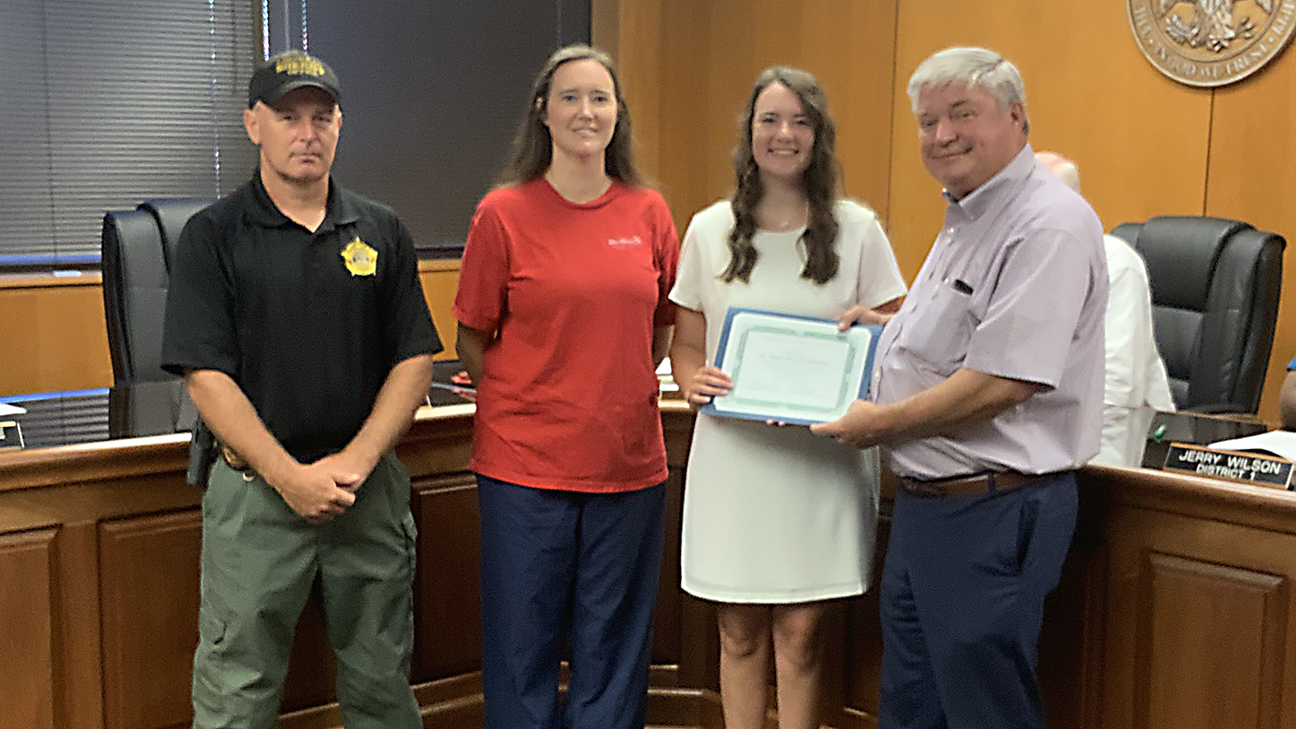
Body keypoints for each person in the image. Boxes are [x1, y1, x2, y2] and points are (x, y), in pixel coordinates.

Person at [811, 47, 1107, 729]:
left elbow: (1003, 381)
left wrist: (878, 425)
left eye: (962, 114)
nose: (942, 134)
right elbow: (967, 334)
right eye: (928, 121)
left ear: (1016, 115)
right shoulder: (971, 212)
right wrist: (887, 328)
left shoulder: (1047, 223)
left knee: (983, 711)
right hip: (931, 507)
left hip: (992, 508)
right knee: (913, 706)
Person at [160, 50, 440, 729]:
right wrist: (289, 477)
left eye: (322, 117)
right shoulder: (213, 236)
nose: (306, 133)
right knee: (237, 693)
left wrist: (355, 463)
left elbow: (413, 361)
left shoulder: (380, 230)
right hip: (256, 496)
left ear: (340, 125)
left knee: (382, 686)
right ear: (254, 124)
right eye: (288, 117)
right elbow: (207, 378)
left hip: (364, 496)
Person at [669, 67, 906, 729]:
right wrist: (691, 380)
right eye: (770, 120)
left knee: (803, 633)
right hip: (735, 460)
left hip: (820, 462)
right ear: (749, 133)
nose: (784, 134)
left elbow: (903, 335)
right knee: (739, 631)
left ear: (818, 136)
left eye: (801, 122)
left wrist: (874, 329)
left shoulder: (858, 229)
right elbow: (686, 344)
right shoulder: (709, 230)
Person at [452, 44, 678, 729]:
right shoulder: (503, 213)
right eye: (570, 97)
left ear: (618, 114)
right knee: (522, 643)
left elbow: (661, 330)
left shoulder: (649, 212)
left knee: (613, 648)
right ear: (543, 113)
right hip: (524, 469)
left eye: (600, 98)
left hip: (627, 464)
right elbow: (472, 338)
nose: (586, 111)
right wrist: (536, 396)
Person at [1036, 151, 1175, 467]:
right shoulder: (1016, 263)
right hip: (1036, 447)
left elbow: (1115, 393)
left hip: (1112, 456)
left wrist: (1094, 478)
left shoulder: (1114, 263)